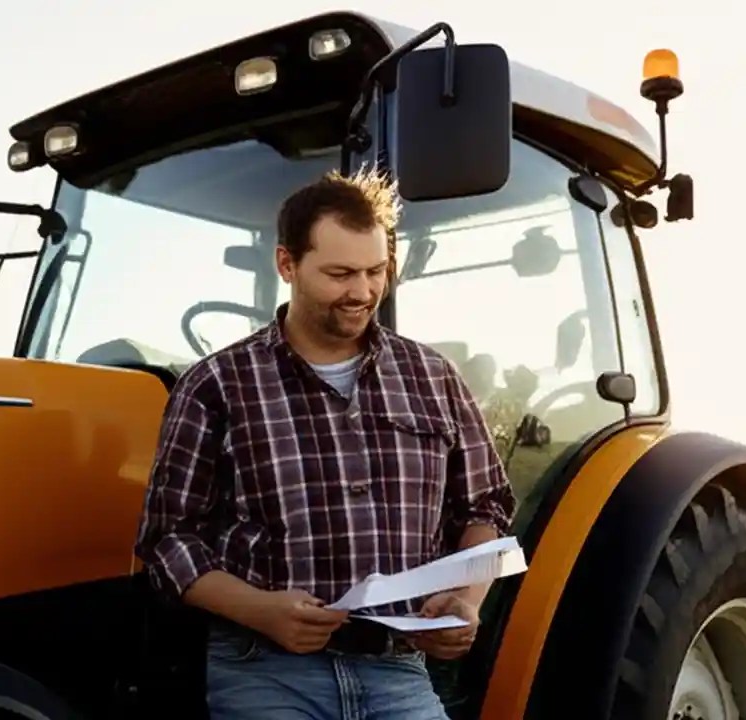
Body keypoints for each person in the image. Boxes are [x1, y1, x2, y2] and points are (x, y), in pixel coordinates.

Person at [133, 167, 517, 720]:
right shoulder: (216, 384)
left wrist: (466, 600)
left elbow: (484, 506)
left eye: (376, 271)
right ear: (287, 264)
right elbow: (168, 538)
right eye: (340, 274)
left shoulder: (433, 376)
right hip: (264, 669)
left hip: (398, 669)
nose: (362, 292)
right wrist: (262, 611)